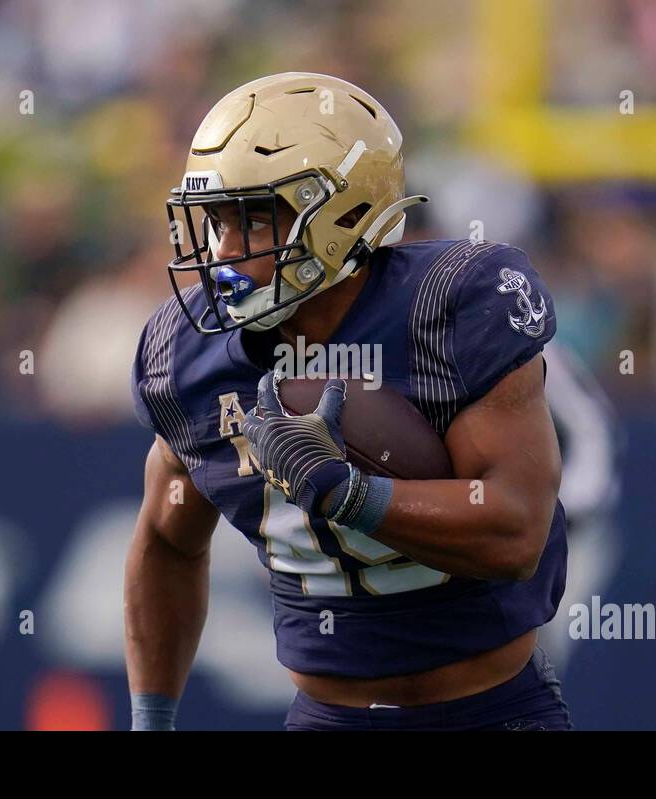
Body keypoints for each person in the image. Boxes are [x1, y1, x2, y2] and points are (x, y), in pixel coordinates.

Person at [126, 72, 571, 730]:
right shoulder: (185, 355)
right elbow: (167, 539)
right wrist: (152, 720)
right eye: (217, 220)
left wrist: (347, 492)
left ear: (343, 211)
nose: (222, 251)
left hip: (490, 711)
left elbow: (515, 530)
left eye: (252, 217)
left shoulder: (449, 307)